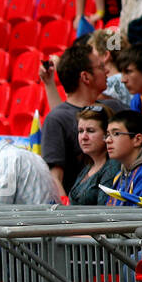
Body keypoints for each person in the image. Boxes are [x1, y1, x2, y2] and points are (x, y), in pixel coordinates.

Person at [41, 43, 125, 193]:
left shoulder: (115, 107)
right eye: (100, 67)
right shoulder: (57, 119)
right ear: (85, 77)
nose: (106, 70)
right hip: (81, 211)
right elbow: (55, 179)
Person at [104, 109, 142, 205]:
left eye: (116, 133)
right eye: (107, 134)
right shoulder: (119, 175)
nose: (107, 140)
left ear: (137, 139)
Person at [67, 107, 119, 205]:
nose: (84, 137)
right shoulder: (88, 166)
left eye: (90, 131)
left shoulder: (112, 167)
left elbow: (104, 212)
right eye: (80, 131)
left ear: (107, 134)